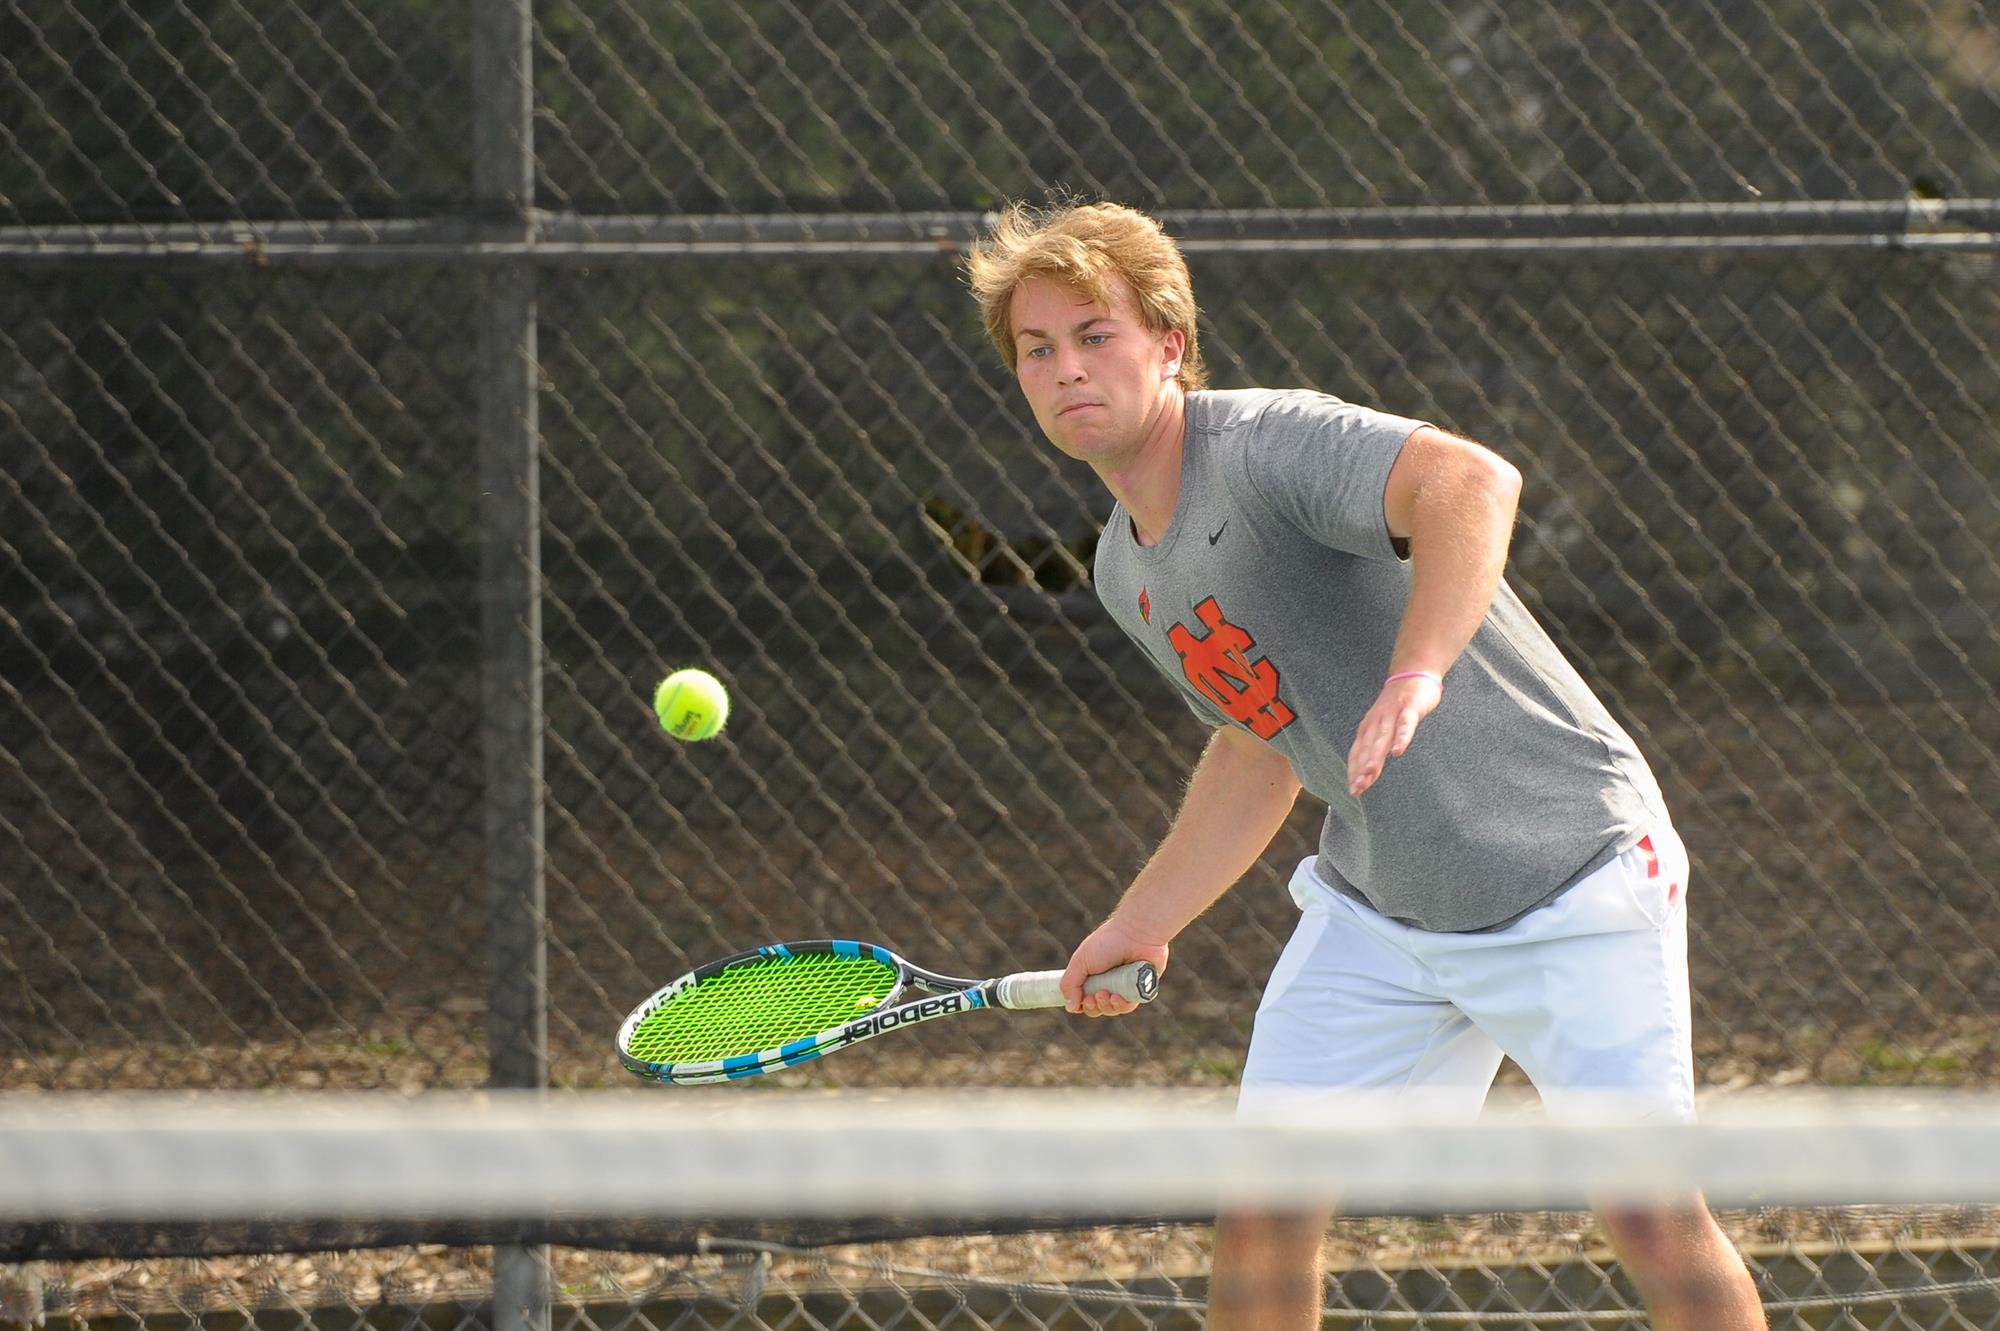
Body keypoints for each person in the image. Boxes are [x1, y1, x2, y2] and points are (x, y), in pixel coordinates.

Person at [964, 199, 1767, 1331]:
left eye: (1095, 334)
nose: (1065, 368)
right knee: (1261, 1212)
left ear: (1168, 344)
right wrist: (1144, 918)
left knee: (1649, 1215)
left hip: (1571, 869)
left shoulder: (1261, 445)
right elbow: (1257, 743)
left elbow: (1471, 480)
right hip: (1382, 908)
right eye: (1036, 350)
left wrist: (1417, 669)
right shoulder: (1119, 569)